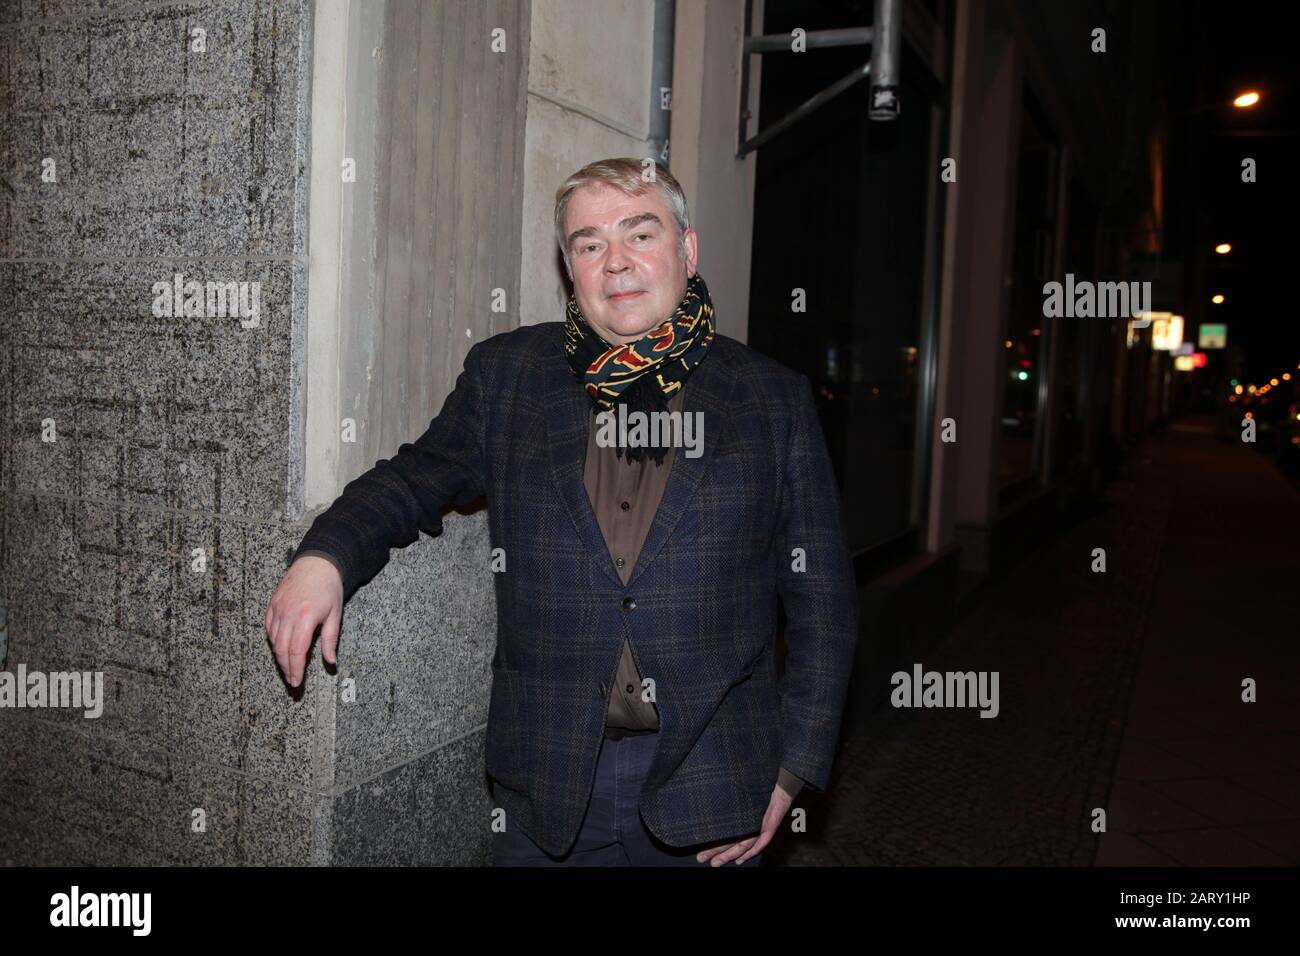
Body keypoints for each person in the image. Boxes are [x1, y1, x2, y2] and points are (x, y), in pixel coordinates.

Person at [265, 157, 859, 866]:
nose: (616, 263)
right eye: (589, 243)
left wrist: (792, 771)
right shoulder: (509, 377)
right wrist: (324, 556)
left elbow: (824, 602)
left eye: (640, 235)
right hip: (547, 782)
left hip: (714, 788)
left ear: (687, 251)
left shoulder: (772, 401)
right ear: (569, 265)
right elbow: (413, 478)